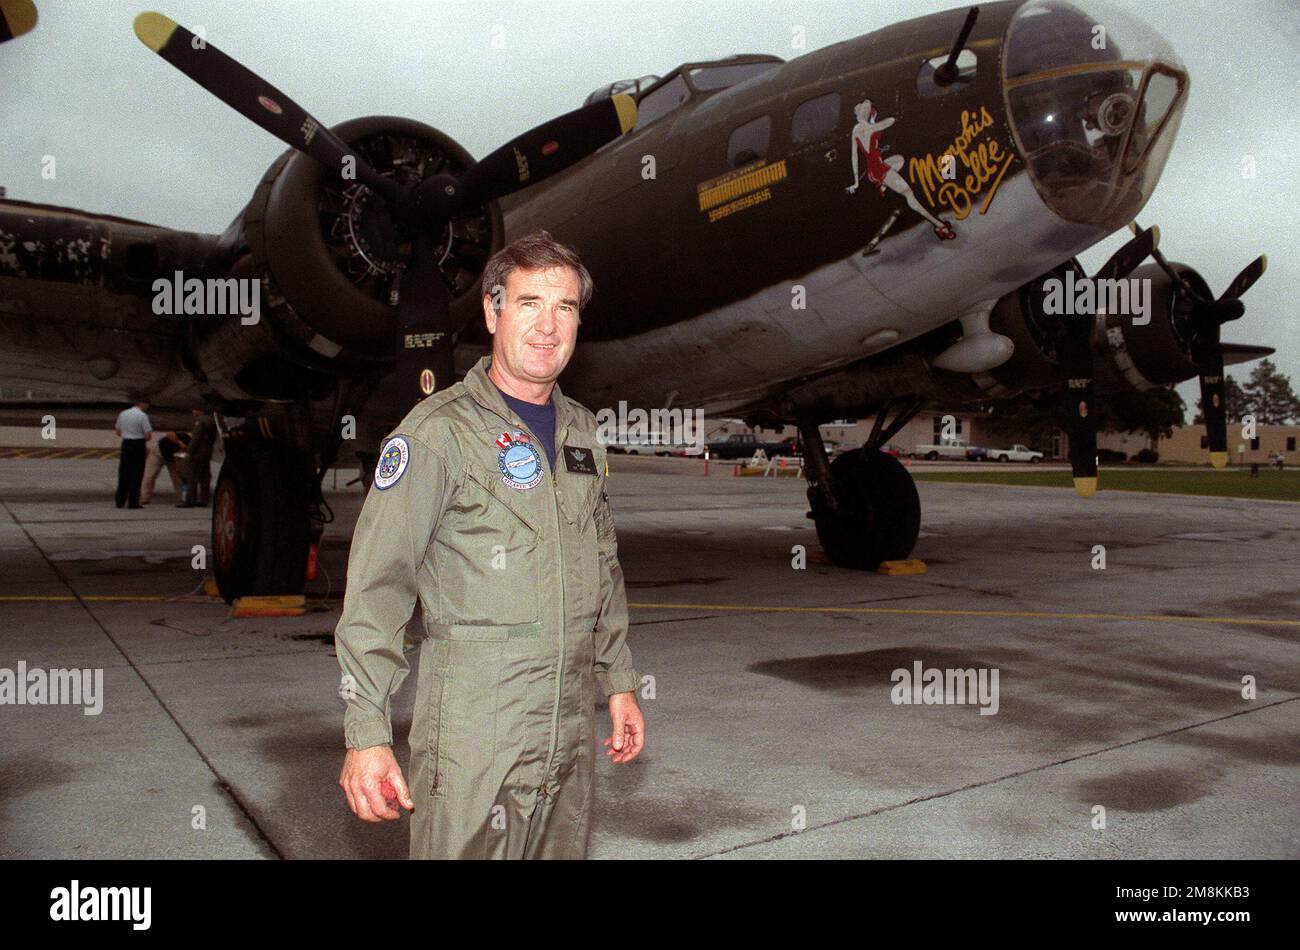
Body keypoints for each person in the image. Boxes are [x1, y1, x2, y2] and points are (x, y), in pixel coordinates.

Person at [335, 230, 645, 859]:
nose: (547, 326)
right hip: (475, 738)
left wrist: (619, 681)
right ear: (492, 310)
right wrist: (367, 732)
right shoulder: (436, 433)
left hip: (568, 734)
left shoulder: (582, 431)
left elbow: (601, 566)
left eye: (565, 308)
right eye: (529, 303)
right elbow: (377, 585)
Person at [113, 399, 152, 509]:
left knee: (123, 472)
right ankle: (133, 502)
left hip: (126, 443)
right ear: (142, 403)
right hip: (138, 444)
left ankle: (119, 501)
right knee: (136, 474)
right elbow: (148, 435)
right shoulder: (142, 416)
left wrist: (127, 435)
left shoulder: (123, 413)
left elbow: (117, 431)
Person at [140, 430, 187, 506]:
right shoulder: (185, 437)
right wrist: (179, 443)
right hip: (158, 452)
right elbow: (170, 433)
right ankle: (145, 496)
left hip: (172, 457)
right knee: (150, 475)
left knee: (177, 477)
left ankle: (182, 497)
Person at [182, 406, 217, 507]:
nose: (193, 412)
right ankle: (204, 500)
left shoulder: (200, 421)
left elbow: (195, 438)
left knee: (193, 475)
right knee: (205, 476)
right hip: (208, 450)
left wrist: (190, 451)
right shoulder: (212, 420)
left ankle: (190, 500)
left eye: (194, 409)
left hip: (199, 451)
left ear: (200, 410)